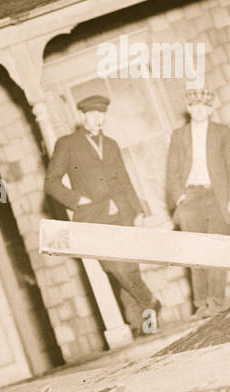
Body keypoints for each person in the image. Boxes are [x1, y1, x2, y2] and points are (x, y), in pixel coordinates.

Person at [44, 94, 160, 329]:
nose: (98, 120)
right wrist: (77, 200)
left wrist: (138, 211)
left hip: (122, 213)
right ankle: (151, 301)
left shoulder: (111, 144)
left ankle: (142, 326)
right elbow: (51, 182)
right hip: (93, 217)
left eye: (102, 115)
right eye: (93, 115)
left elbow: (126, 180)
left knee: (128, 269)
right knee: (115, 267)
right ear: (83, 116)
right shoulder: (67, 144)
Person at [165, 85, 230, 314]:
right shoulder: (179, 135)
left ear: (210, 110)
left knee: (218, 248)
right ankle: (201, 304)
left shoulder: (222, 132)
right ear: (189, 109)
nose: (198, 111)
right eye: (194, 106)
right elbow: (172, 170)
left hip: (217, 196)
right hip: (191, 197)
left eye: (204, 107)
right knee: (195, 250)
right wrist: (179, 196)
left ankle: (216, 302)